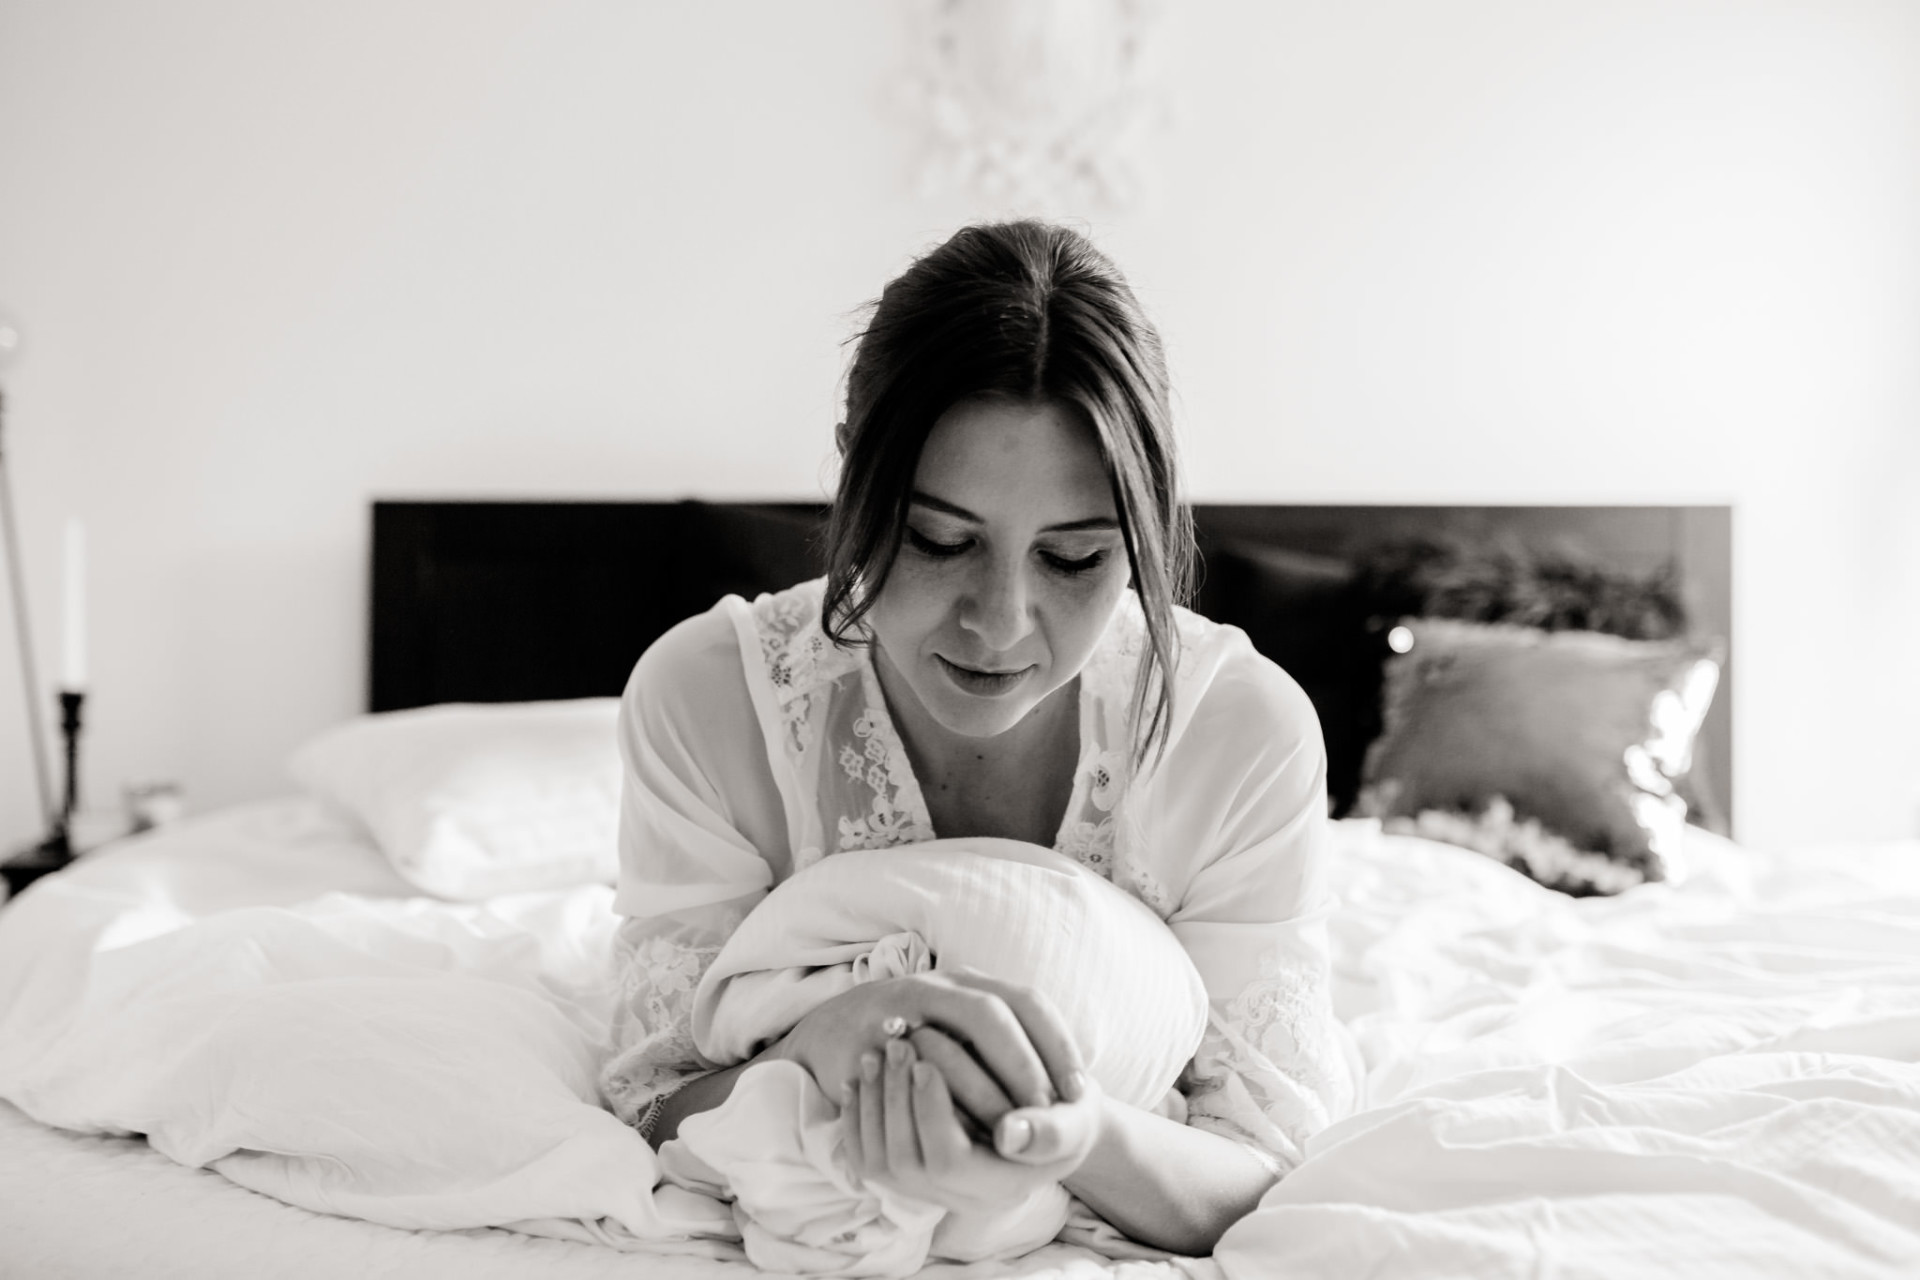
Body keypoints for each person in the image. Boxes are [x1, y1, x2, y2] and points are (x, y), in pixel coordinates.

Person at [600, 219, 1353, 1257]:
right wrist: (816, 1048)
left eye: (1076, 558)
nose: (998, 622)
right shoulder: (710, 698)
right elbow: (654, 1099)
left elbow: (1262, 1171)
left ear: (1141, 532)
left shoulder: (1238, 736)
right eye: (938, 540)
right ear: (851, 476)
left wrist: (1078, 1134)